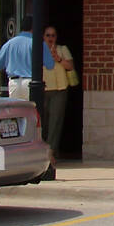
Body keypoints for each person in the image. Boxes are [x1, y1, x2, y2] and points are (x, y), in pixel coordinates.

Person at [40, 25, 76, 180]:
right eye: (48, 35)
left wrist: (58, 58)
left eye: (53, 35)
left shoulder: (62, 49)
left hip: (60, 90)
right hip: (43, 89)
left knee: (55, 121)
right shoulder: (39, 50)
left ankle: (51, 153)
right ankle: (43, 152)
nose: (50, 38)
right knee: (44, 122)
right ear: (43, 36)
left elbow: (70, 66)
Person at [0, 15, 53, 104]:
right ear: (34, 27)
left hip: (14, 83)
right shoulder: (38, 43)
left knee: (16, 114)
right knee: (31, 113)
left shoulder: (10, 43)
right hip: (31, 82)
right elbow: (50, 65)